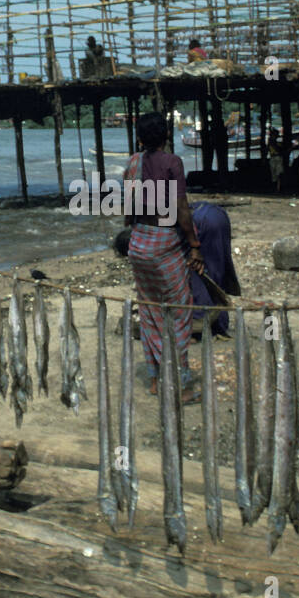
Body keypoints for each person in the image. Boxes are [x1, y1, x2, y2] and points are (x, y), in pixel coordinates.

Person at [123, 112, 203, 403]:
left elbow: (128, 209)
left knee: (150, 311)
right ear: (167, 136)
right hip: (163, 245)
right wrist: (194, 244)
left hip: (138, 246)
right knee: (178, 314)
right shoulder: (172, 163)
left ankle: (156, 380)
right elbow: (181, 209)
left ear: (141, 138)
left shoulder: (133, 162)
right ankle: (181, 387)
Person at [113, 201, 240, 339]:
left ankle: (202, 325)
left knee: (197, 274)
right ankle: (218, 324)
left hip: (200, 223)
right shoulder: (148, 227)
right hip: (216, 213)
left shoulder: (148, 243)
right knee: (215, 270)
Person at [267, 127, 285, 193]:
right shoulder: (272, 141)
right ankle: (276, 188)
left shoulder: (276, 141)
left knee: (278, 174)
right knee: (275, 174)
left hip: (277, 157)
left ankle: (278, 188)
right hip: (274, 157)